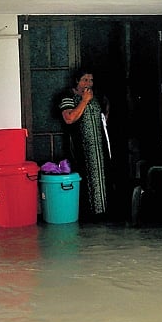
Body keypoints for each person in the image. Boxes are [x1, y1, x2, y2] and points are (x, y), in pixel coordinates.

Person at [59, 69, 110, 217]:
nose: (88, 83)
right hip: (80, 147)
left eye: (91, 80)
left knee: (102, 179)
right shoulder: (68, 96)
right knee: (82, 178)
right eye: (85, 80)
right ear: (77, 81)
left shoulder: (96, 97)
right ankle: (86, 215)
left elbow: (105, 113)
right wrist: (84, 101)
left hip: (99, 147)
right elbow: (69, 118)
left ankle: (103, 213)